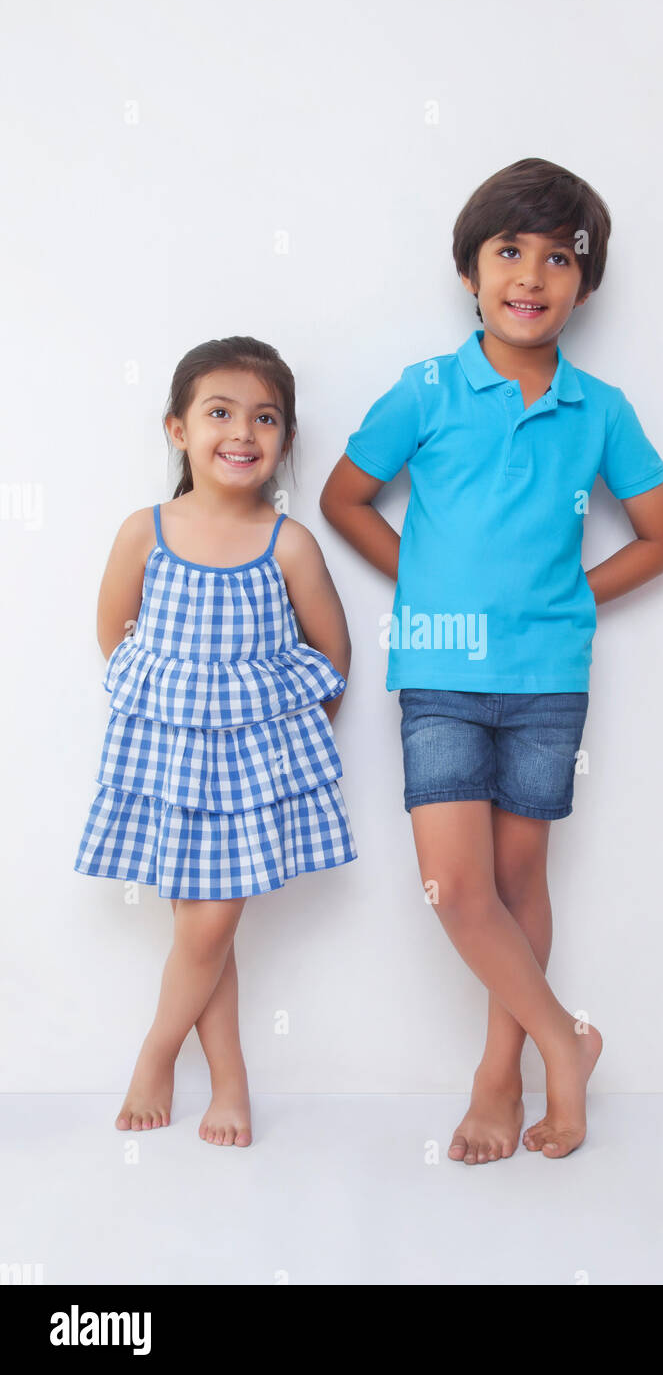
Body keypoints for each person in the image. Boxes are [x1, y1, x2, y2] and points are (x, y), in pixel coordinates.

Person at [320, 157, 663, 1163]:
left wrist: (573, 596)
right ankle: (565, 1042)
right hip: (438, 671)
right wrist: (425, 586)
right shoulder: (427, 389)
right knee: (454, 885)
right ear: (470, 270)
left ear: (584, 278)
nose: (531, 274)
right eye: (508, 251)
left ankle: (498, 1076)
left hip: (547, 682)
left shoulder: (598, 408)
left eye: (558, 257)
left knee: (521, 876)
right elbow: (343, 496)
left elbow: (662, 536)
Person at [74, 335, 356, 1146]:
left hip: (250, 778)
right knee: (209, 932)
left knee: (206, 928)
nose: (242, 432)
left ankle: (154, 1056)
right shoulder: (146, 530)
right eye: (220, 413)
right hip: (168, 768)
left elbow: (332, 657)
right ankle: (230, 1085)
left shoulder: (288, 543)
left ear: (286, 441)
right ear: (178, 429)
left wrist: (276, 752)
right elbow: (115, 636)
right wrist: (173, 719)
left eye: (265, 418)